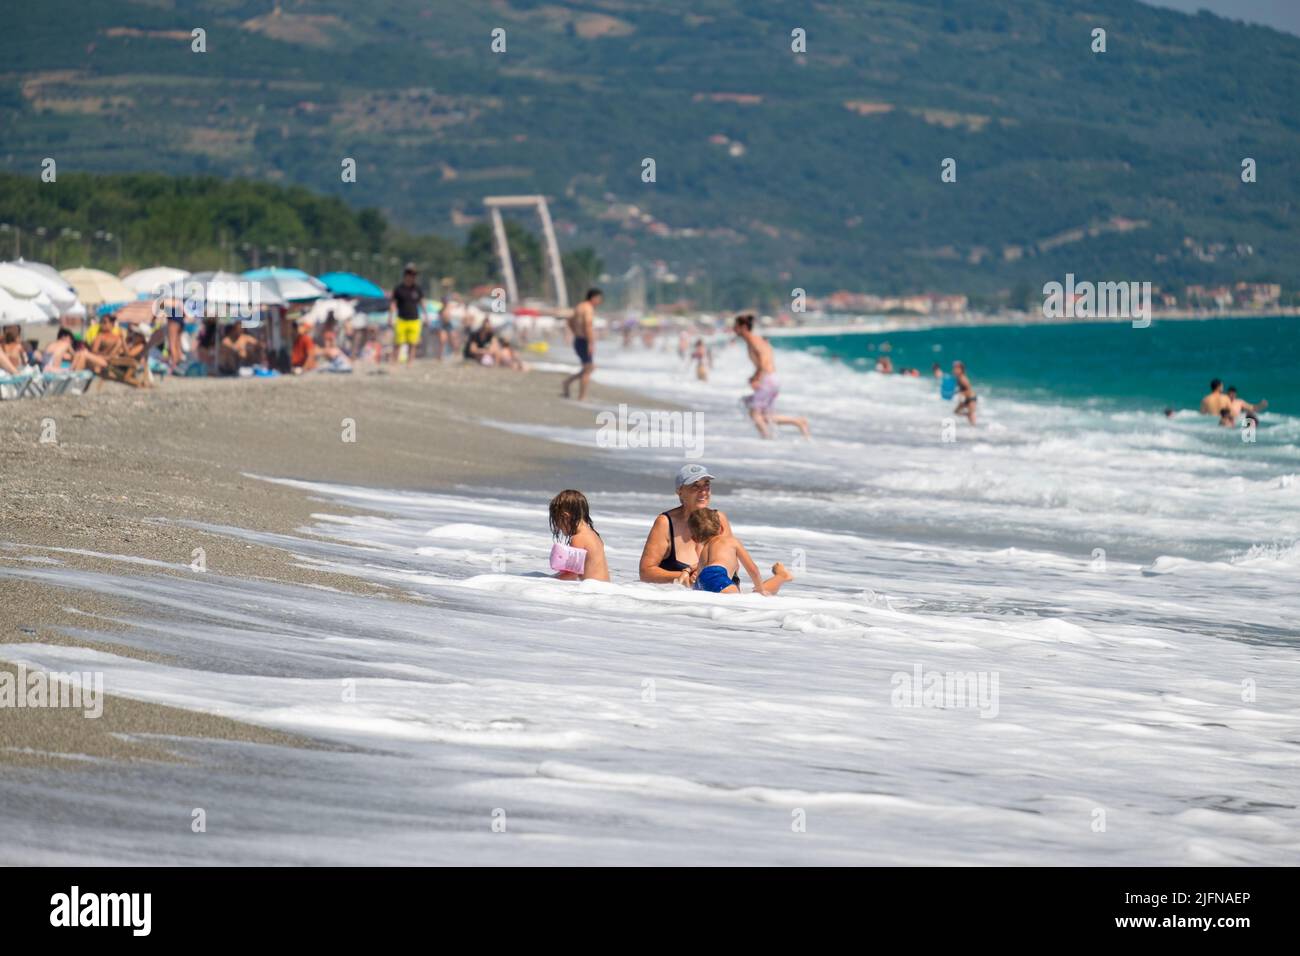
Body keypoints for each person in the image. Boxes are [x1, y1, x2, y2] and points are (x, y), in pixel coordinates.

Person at [637, 464, 739, 586]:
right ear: (680, 491)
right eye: (695, 486)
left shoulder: (719, 519)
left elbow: (734, 566)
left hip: (720, 601)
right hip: (682, 600)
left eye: (706, 484)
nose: (703, 491)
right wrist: (682, 576)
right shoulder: (666, 523)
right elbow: (646, 572)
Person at [734, 313, 811, 439]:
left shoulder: (753, 340)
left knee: (755, 413)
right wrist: (755, 375)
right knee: (765, 416)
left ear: (743, 327)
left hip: (767, 380)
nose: (733, 329)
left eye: (735, 326)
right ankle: (798, 422)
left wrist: (757, 378)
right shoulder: (758, 340)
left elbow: (764, 360)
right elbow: (766, 358)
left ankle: (767, 439)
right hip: (772, 378)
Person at [685, 508, 792, 596]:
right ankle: (782, 576)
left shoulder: (704, 550)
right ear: (721, 529)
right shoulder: (732, 541)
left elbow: (700, 573)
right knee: (751, 598)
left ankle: (782, 576)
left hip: (701, 581)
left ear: (695, 539)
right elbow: (753, 569)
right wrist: (760, 590)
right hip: (718, 576)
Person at [548, 490, 610, 582]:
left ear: (565, 517)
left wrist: (546, 581)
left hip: (593, 591)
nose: (558, 527)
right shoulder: (593, 534)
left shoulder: (578, 538)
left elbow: (571, 575)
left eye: (557, 521)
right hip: (603, 588)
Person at [562, 288, 601, 401]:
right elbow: (588, 325)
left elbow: (569, 321)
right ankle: (582, 396)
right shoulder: (588, 309)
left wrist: (575, 333)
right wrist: (590, 343)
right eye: (599, 299)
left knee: (588, 368)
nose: (599, 302)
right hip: (584, 341)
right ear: (593, 297)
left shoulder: (579, 306)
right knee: (588, 369)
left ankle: (567, 382)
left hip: (578, 340)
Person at [388, 263, 425, 364]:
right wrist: (390, 317)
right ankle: (394, 362)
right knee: (398, 342)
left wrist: (426, 316)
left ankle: (410, 362)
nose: (413, 277)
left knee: (413, 343)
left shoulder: (417, 289)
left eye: (414, 275)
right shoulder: (398, 289)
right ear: (405, 275)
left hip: (414, 319)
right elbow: (393, 304)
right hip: (401, 319)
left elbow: (422, 303)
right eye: (411, 274)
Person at [952, 360, 977, 425]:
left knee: (971, 417)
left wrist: (962, 395)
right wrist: (956, 392)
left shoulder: (962, 378)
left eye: (956, 368)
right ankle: (968, 416)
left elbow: (968, 388)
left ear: (961, 369)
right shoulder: (958, 377)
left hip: (971, 398)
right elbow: (962, 389)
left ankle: (975, 430)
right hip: (966, 398)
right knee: (956, 412)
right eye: (954, 368)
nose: (954, 370)